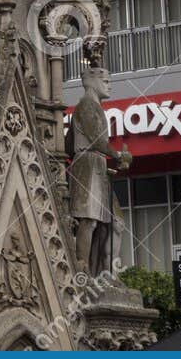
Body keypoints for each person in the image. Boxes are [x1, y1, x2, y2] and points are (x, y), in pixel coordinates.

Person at [69, 55, 128, 279]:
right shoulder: (86, 106)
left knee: (115, 223)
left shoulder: (94, 107)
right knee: (89, 219)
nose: (109, 85)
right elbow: (95, 140)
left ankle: (107, 273)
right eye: (105, 81)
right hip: (88, 164)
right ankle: (82, 266)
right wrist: (118, 154)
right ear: (92, 82)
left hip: (98, 166)